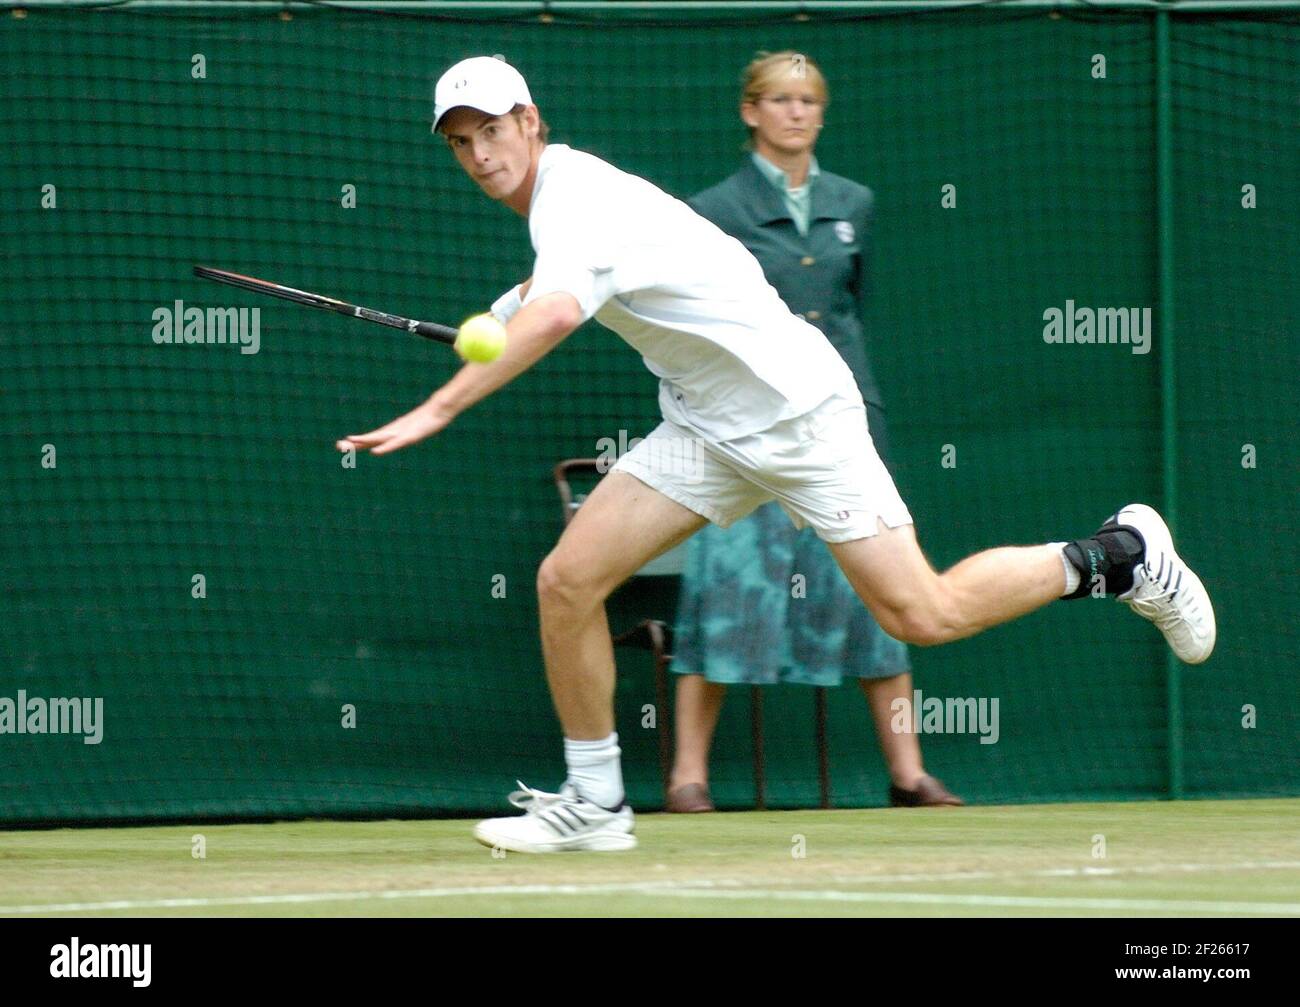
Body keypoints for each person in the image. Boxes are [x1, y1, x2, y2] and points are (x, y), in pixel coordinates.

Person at [336, 55, 1215, 854]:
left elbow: (561, 311)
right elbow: (546, 288)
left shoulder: (576, 193)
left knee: (924, 613)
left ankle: (1122, 557)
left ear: (531, 120)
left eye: (493, 130)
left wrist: (437, 408)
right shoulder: (566, 209)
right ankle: (597, 802)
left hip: (799, 417)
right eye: (462, 142)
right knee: (566, 580)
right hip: (706, 428)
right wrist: (498, 316)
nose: (482, 153)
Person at [667, 51, 960, 814]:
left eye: (808, 100)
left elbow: (850, 310)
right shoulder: (710, 210)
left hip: (841, 424)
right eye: (779, 99)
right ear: (749, 111)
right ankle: (687, 779)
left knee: (881, 598)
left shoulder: (853, 202)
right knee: (724, 593)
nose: (796, 112)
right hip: (748, 429)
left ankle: (909, 774)